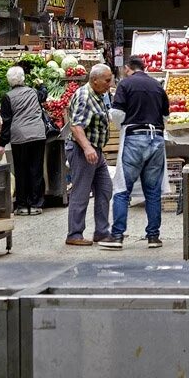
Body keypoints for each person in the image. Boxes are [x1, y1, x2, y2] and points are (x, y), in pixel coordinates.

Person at [100, 56, 171, 250]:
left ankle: (117, 236)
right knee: (153, 191)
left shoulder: (125, 84)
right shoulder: (157, 85)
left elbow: (117, 114)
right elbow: (166, 116)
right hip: (156, 139)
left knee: (123, 189)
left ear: (127, 68)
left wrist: (121, 126)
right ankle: (153, 237)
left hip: (133, 138)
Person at [64, 64, 115, 247]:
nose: (110, 84)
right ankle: (74, 234)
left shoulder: (98, 94)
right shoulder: (85, 96)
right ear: (95, 80)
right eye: (107, 80)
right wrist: (87, 148)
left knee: (105, 188)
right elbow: (76, 126)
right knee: (81, 192)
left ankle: (101, 232)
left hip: (95, 151)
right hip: (82, 150)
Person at [0, 66, 49, 215]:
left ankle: (22, 206)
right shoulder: (33, 92)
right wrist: (42, 85)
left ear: (9, 81)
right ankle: (36, 204)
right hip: (37, 134)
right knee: (36, 169)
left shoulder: (7, 97)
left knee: (21, 170)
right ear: (23, 78)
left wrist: (2, 143)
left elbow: (6, 122)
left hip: (19, 137)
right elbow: (43, 95)